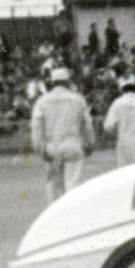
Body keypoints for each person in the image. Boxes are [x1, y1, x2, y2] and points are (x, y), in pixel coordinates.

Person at [31, 67, 94, 203]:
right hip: (72, 145)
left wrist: (39, 148)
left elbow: (36, 127)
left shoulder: (42, 100)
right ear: (67, 82)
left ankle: (56, 214)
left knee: (53, 186)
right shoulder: (78, 99)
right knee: (72, 184)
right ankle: (71, 213)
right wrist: (90, 143)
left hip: (52, 147)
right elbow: (87, 124)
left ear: (53, 82)